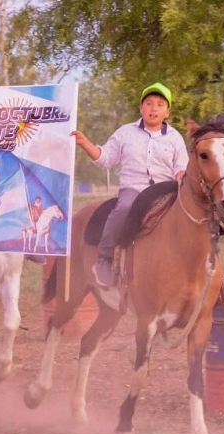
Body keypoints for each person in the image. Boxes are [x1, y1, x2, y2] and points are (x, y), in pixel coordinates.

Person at [70, 82, 188, 287]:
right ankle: (104, 259)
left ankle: (197, 263)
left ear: (167, 112)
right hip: (134, 189)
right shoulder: (125, 133)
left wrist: (180, 175)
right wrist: (84, 143)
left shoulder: (175, 138)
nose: (153, 108)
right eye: (149, 103)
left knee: (190, 216)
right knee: (124, 208)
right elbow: (105, 158)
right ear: (141, 108)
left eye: (160, 104)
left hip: (165, 191)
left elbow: (181, 167)